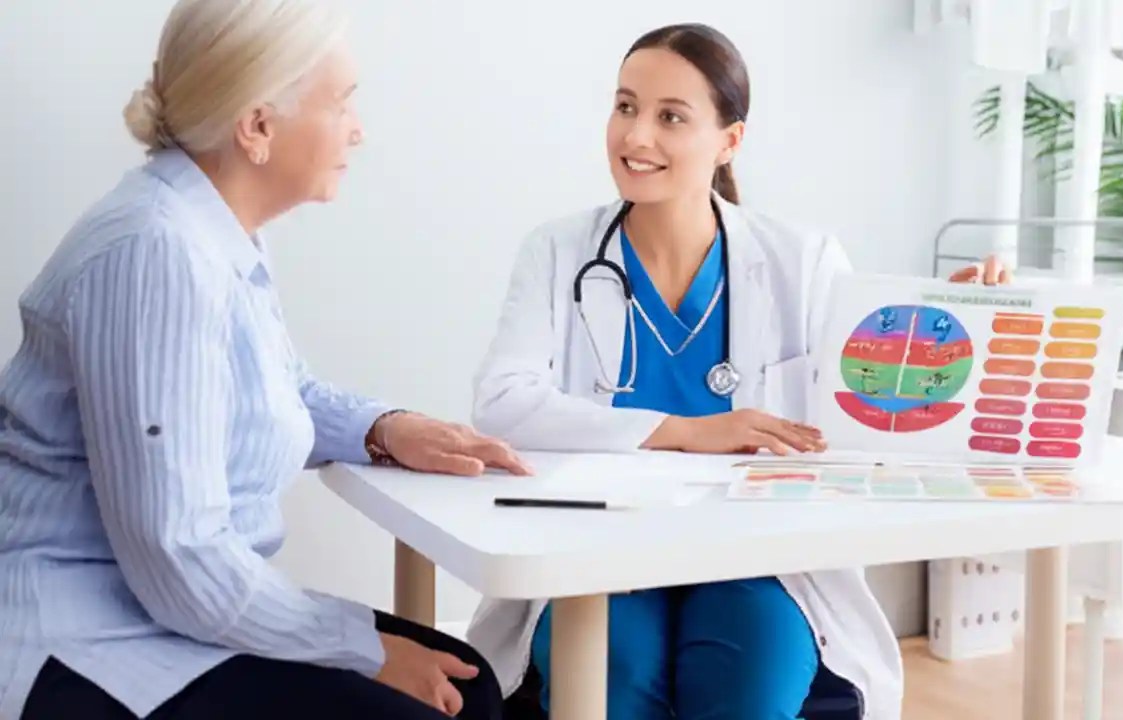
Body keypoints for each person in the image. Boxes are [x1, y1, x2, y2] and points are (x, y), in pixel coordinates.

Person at [0, 1, 532, 718]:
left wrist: (383, 429)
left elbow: (264, 389)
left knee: (472, 683)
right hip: (92, 634)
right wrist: (364, 649)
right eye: (340, 103)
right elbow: (179, 555)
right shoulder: (157, 255)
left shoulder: (216, 229)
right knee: (447, 703)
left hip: (164, 607)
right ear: (257, 127)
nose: (357, 129)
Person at [465, 23, 1010, 720]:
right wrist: (688, 430)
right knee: (614, 675)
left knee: (749, 680)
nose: (636, 136)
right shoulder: (557, 251)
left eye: (671, 117)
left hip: (758, 555)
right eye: (626, 106)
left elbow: (869, 402)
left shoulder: (801, 259)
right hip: (598, 547)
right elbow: (503, 403)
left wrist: (957, 323)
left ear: (729, 141)